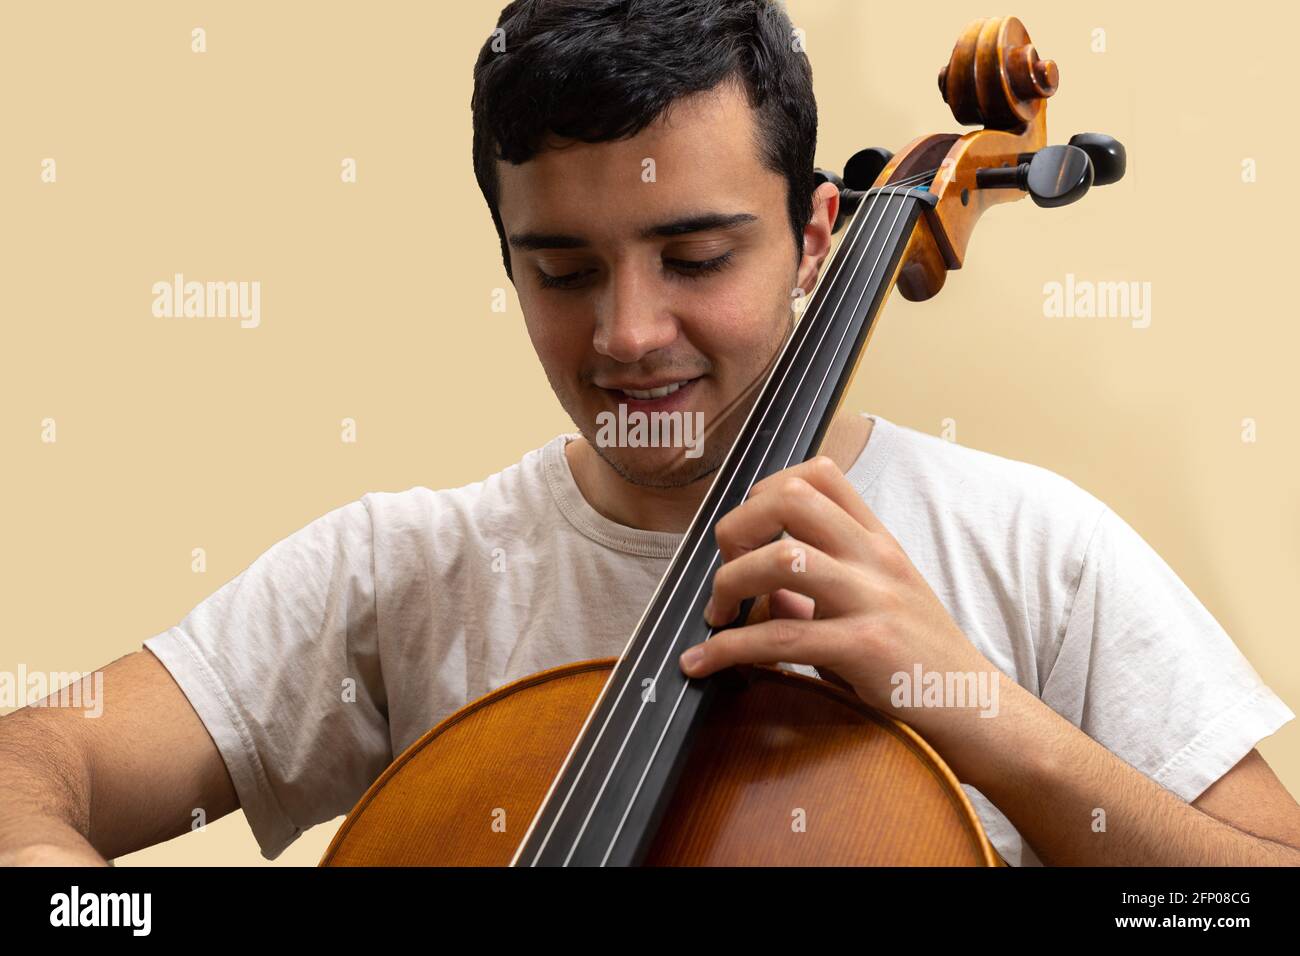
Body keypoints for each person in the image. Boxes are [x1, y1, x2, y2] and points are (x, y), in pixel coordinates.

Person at [2, 0, 1297, 868]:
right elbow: (34, 755)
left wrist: (982, 717)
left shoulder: (1035, 548)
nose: (626, 335)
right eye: (561, 269)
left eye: (694, 255)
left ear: (815, 238)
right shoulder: (398, 570)